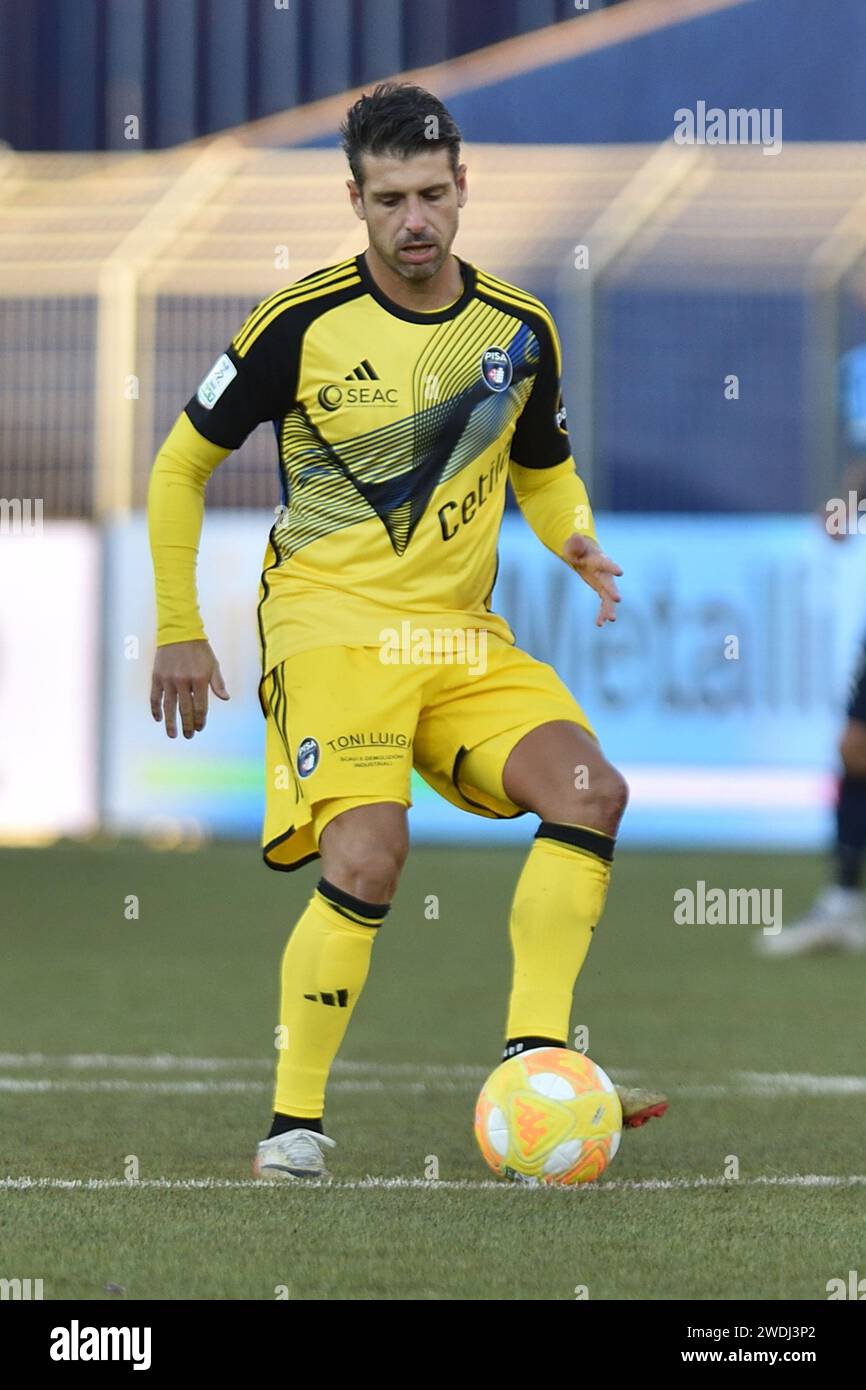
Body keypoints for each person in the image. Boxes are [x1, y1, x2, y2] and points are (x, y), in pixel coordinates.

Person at [147, 82, 667, 1179]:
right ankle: (293, 1125)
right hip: (328, 628)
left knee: (589, 792)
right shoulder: (299, 323)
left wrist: (572, 538)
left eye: (432, 193)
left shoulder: (517, 329)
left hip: (455, 636)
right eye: (390, 199)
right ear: (355, 200)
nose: (415, 219)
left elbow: (540, 463)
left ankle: (535, 1066)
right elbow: (181, 464)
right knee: (372, 854)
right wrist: (179, 625)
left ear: (462, 186)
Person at [756, 341, 866, 957]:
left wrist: (849, 501)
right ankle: (845, 905)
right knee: (856, 745)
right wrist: (850, 502)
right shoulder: (857, 366)